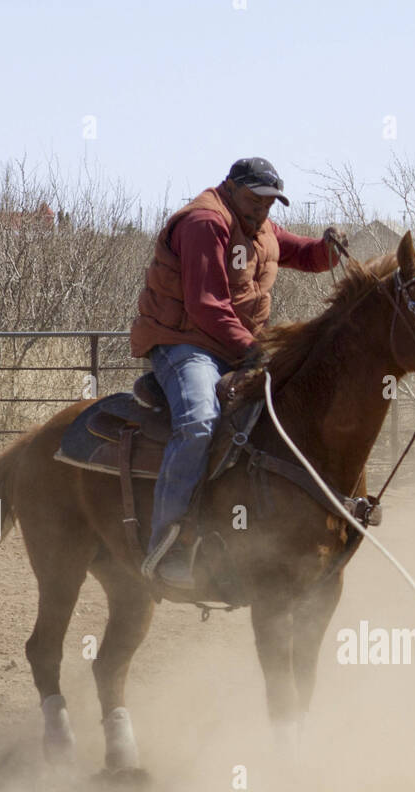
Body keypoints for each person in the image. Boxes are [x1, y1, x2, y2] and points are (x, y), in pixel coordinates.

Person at [129, 157, 346, 589]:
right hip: (183, 343)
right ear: (231, 187)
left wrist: (327, 251)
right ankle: (168, 544)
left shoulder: (258, 224)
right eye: (255, 199)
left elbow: (297, 252)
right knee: (198, 422)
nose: (264, 208)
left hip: (231, 344)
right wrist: (251, 350)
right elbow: (206, 304)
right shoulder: (206, 222)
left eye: (270, 202)